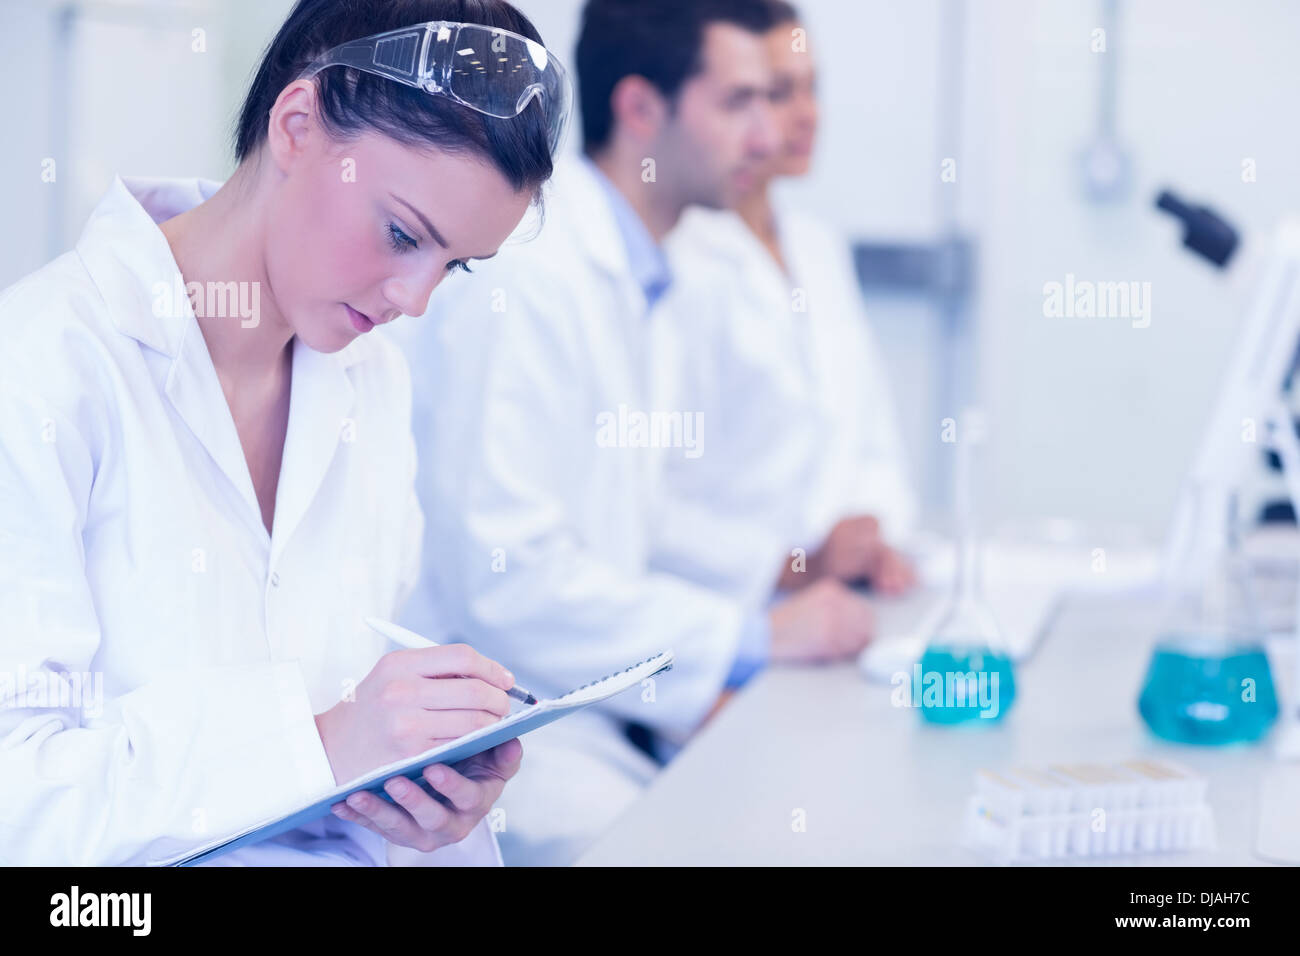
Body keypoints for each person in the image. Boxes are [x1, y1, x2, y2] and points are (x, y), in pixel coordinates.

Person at [0, 0, 568, 866]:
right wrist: (322, 745)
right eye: (400, 234)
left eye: (452, 267)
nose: (412, 300)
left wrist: (420, 788)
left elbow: (354, 730)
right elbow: (20, 802)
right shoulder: (42, 367)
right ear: (297, 125)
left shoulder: (371, 381)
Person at [391, 0, 877, 867]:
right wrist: (750, 641)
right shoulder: (533, 278)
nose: (769, 139)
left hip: (589, 703)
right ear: (641, 109)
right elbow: (507, 578)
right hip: (500, 739)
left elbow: (634, 524)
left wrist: (778, 580)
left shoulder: (655, 274)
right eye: (739, 104)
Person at [665, 0, 919, 599]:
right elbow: (655, 500)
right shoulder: (680, 255)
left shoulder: (818, 246)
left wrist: (872, 538)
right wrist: (796, 562)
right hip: (725, 607)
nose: (807, 115)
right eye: (780, 92)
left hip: (845, 598)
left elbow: (871, 437)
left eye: (813, 89)